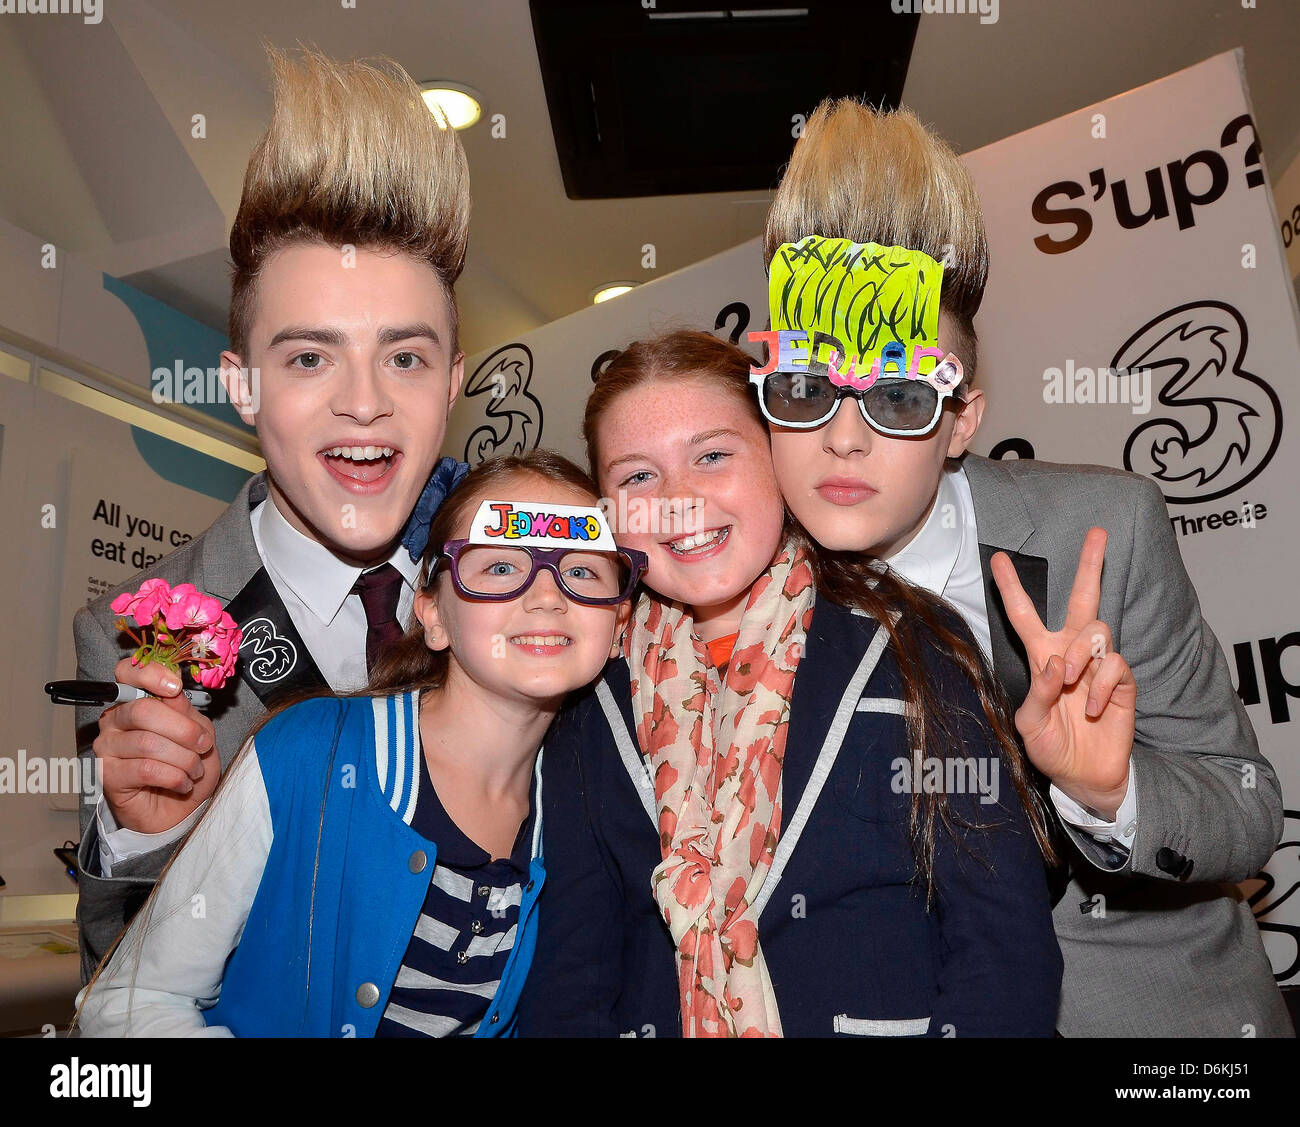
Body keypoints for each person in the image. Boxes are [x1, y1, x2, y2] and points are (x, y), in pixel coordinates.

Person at [753, 98, 1292, 1037]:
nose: (842, 437)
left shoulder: (1107, 529)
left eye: (896, 393)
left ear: (963, 420)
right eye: (805, 385)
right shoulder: (742, 589)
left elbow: (1247, 810)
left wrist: (1108, 791)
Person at [517, 329, 1064, 1037]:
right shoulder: (589, 701)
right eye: (638, 477)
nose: (679, 500)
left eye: (712, 456)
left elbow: (1005, 945)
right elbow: (572, 980)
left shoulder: (913, 644)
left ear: (777, 456)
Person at [72, 46, 470, 982]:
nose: (364, 402)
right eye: (308, 359)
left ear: (453, 384)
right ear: (240, 386)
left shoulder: (515, 591)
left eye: (405, 358)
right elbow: (120, 995)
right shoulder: (133, 633)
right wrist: (145, 842)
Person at [75, 452, 642, 1036]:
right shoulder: (308, 752)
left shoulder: (580, 813)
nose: (547, 596)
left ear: (618, 619)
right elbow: (128, 1002)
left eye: (581, 570)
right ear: (433, 615)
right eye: (499, 567)